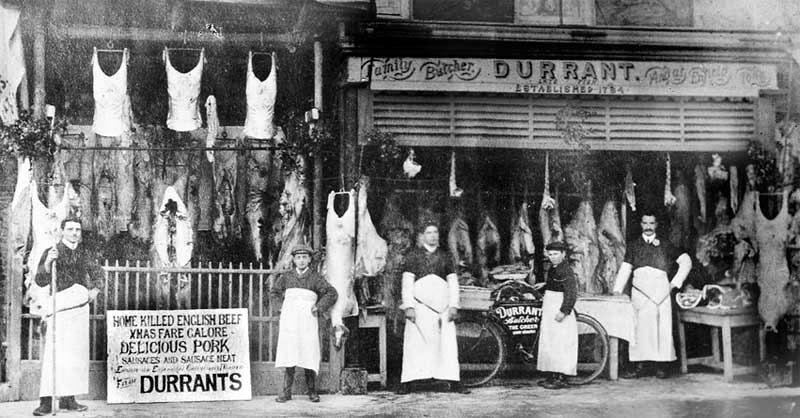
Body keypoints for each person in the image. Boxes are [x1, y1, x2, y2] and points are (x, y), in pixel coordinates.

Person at [33, 218, 104, 416]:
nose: (74, 233)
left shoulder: (84, 252)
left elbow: (98, 274)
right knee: (54, 354)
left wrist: (94, 291)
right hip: (60, 306)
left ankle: (68, 399)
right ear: (62, 231)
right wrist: (48, 262)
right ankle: (46, 402)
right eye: (70, 229)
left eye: (77, 229)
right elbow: (40, 280)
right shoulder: (53, 250)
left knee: (75, 354)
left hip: (79, 308)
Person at [613, 213, 691, 379]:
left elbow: (686, 261)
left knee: (661, 328)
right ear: (641, 224)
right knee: (639, 330)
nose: (648, 226)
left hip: (660, 293)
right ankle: (640, 366)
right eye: (645, 223)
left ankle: (661, 366)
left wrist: (674, 284)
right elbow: (626, 269)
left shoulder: (666, 244)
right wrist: (617, 290)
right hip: (639, 293)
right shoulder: (633, 246)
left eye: (652, 223)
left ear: (656, 225)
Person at [397, 221, 469, 394]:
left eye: (435, 232)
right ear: (422, 236)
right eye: (429, 232)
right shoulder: (412, 257)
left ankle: (453, 381)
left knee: (447, 347)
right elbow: (407, 284)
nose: (433, 235)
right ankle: (407, 382)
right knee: (415, 346)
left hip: (442, 311)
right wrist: (409, 307)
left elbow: (453, 283)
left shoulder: (446, 256)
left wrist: (453, 306)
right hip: (420, 309)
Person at [271, 244, 337, 403]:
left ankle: (312, 392)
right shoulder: (287, 277)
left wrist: (319, 306)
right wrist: (280, 307)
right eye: (298, 257)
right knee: (289, 352)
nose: (301, 261)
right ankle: (286, 393)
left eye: (304, 257)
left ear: (309, 259)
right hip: (290, 319)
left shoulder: (315, 277)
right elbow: (274, 292)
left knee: (308, 352)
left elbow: (331, 293)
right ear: (293, 259)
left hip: (307, 319)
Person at [536, 241, 578, 389]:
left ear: (563, 254)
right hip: (550, 306)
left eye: (556, 254)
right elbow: (556, 284)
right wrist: (545, 285)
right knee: (551, 342)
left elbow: (571, 292)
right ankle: (552, 375)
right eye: (550, 254)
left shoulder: (566, 270)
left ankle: (560, 377)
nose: (552, 257)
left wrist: (564, 311)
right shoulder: (554, 268)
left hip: (559, 308)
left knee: (560, 343)